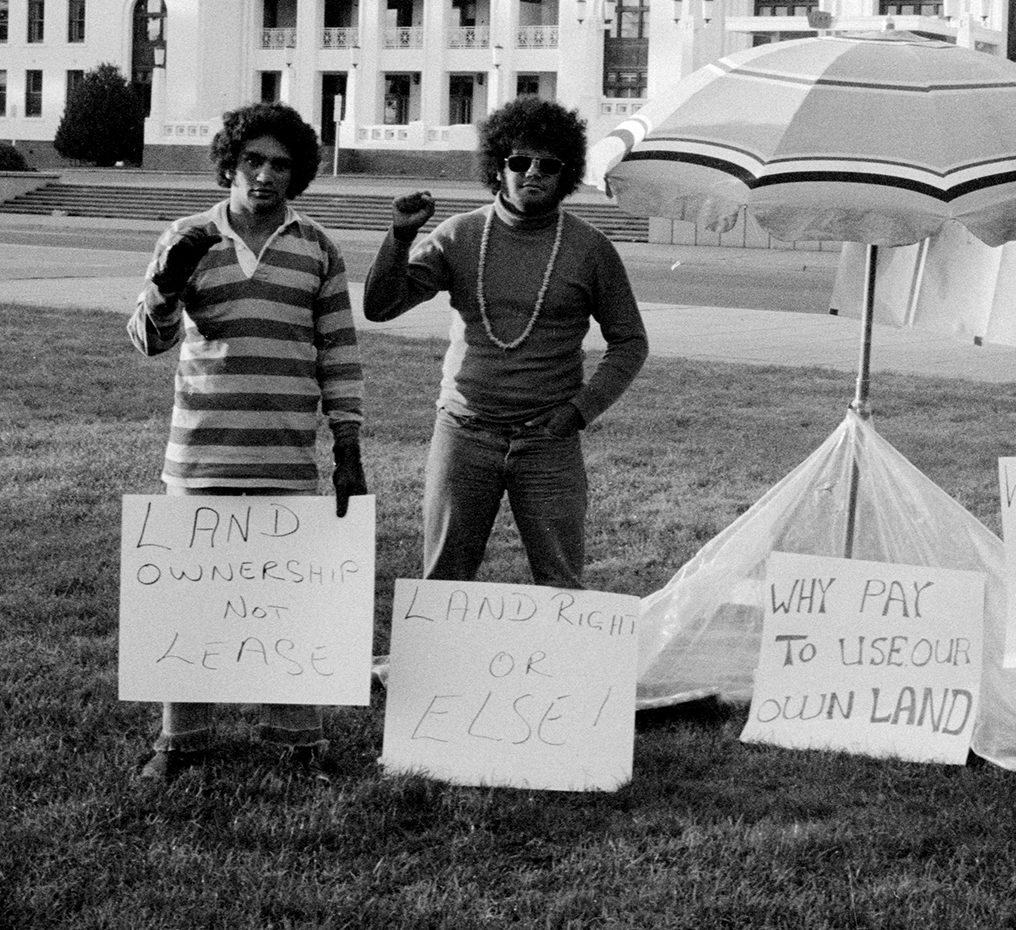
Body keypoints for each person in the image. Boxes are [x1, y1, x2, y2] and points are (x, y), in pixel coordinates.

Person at [128, 102, 366, 782]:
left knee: (289, 603)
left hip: (287, 458)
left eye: (281, 164)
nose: (265, 176)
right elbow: (150, 342)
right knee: (189, 600)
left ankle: (297, 740)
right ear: (229, 164)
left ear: (299, 174)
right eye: (253, 161)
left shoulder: (317, 246)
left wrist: (347, 445)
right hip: (199, 454)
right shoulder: (186, 234)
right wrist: (166, 284)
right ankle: (181, 741)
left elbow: (338, 352)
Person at [363, 97, 647, 590]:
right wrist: (400, 238)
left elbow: (630, 342)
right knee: (444, 581)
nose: (532, 172)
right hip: (464, 432)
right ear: (498, 167)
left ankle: (561, 669)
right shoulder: (459, 235)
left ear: (566, 173)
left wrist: (579, 411)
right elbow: (380, 307)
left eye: (548, 164)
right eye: (519, 161)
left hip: (549, 441)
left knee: (560, 584)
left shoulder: (591, 249)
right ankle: (437, 670)